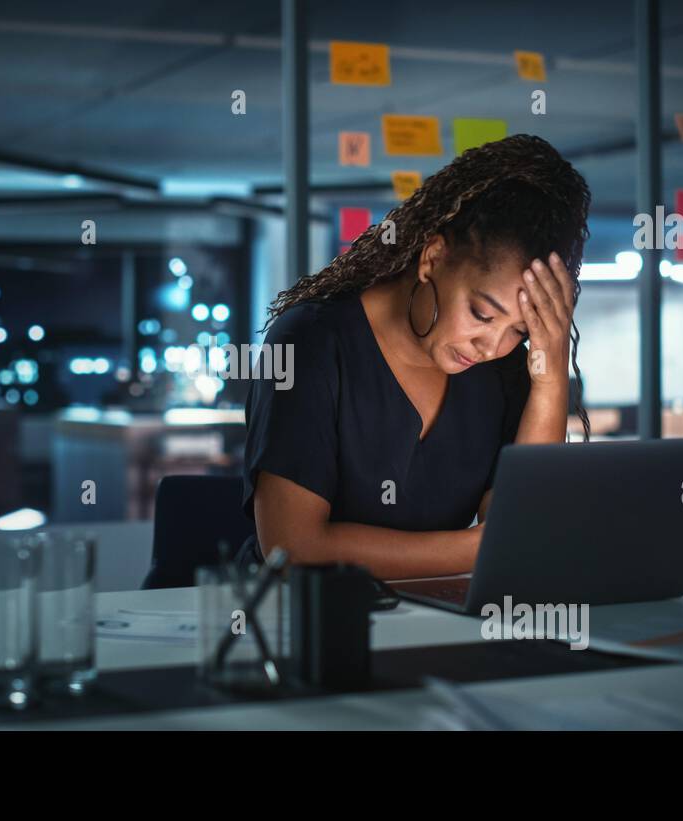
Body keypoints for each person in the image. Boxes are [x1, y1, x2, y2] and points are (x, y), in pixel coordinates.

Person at [241, 134, 592, 580]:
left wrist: (550, 375)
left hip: (429, 619)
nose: (493, 346)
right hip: (300, 623)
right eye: (482, 313)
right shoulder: (310, 342)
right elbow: (292, 548)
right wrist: (479, 549)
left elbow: (525, 528)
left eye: (520, 330)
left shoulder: (503, 370)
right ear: (432, 257)